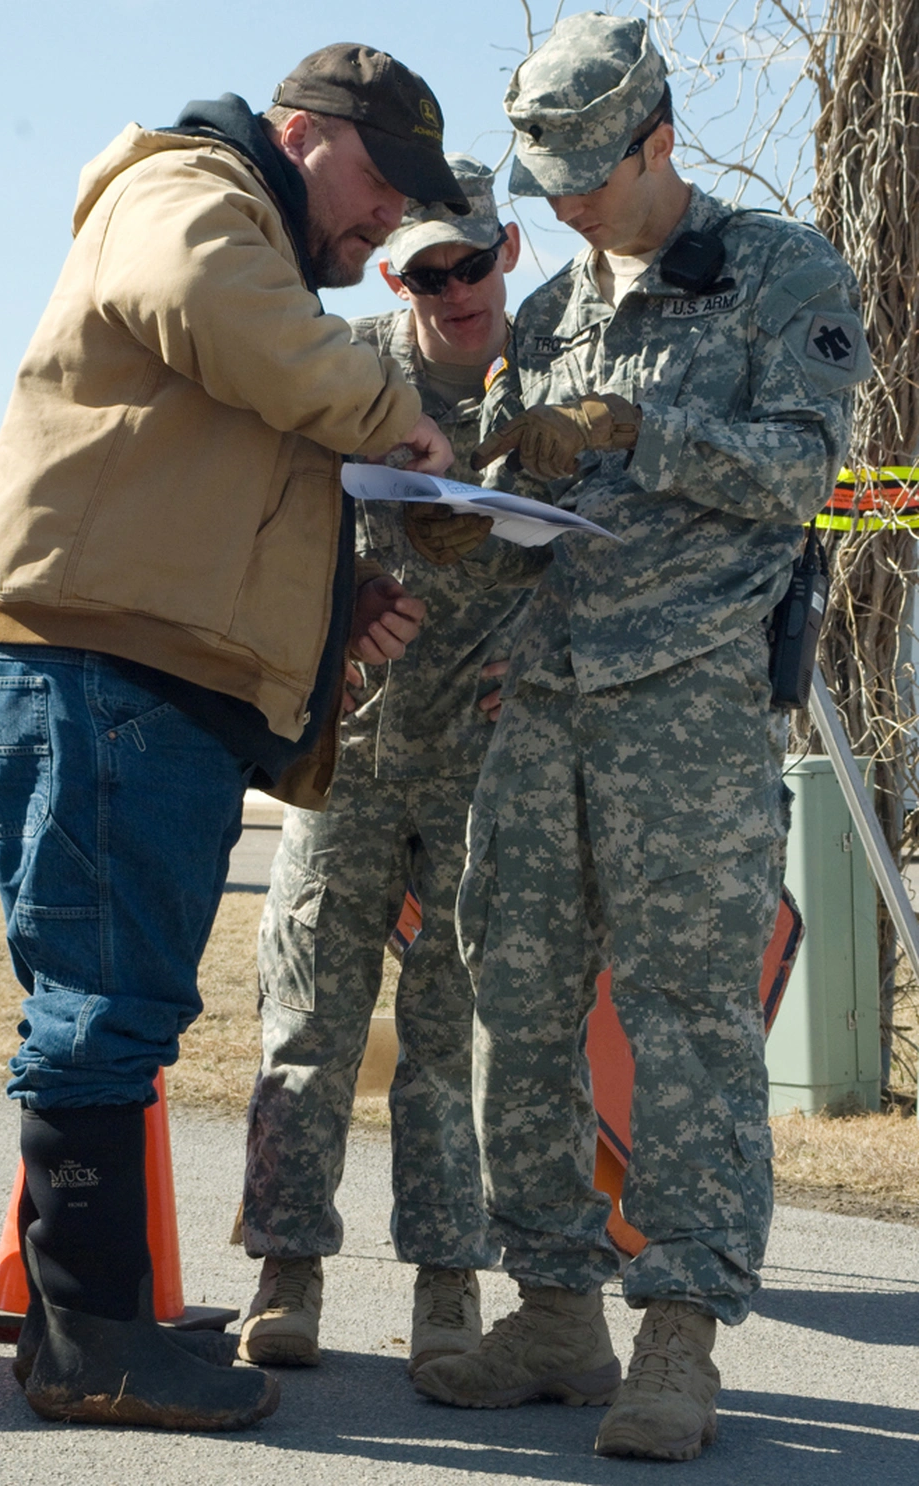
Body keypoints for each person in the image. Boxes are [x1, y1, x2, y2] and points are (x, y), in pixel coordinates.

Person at [0, 43, 466, 1433]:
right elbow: (199, 301)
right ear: (301, 134)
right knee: (105, 1008)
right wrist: (387, 413)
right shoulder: (191, 190)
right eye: (381, 184)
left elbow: (199, 472)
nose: (390, 221)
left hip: (133, 660)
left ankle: (88, 1310)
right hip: (100, 665)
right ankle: (93, 1341)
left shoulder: (249, 251)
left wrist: (323, 606)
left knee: (115, 1001)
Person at [409, 12, 872, 1463]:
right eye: (547, 183)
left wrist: (631, 433)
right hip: (540, 701)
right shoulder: (551, 312)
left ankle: (679, 1330)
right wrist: (463, 492)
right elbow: (516, 534)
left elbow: (805, 474)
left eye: (589, 178)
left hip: (687, 701)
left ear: (659, 140)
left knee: (683, 1019)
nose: (564, 208)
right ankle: (556, 1308)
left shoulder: (776, 272)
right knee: (521, 999)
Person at [240, 157, 548, 1377]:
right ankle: (286, 1269)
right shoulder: (351, 368)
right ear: (391, 273)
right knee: (306, 1021)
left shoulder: (558, 383)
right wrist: (337, 611)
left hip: (484, 764)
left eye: (469, 262)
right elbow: (276, 518)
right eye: (426, 270)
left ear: (506, 250)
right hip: (353, 751)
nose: (452, 289)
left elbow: (596, 565)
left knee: (450, 1038)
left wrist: (530, 662)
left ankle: (446, 1290)